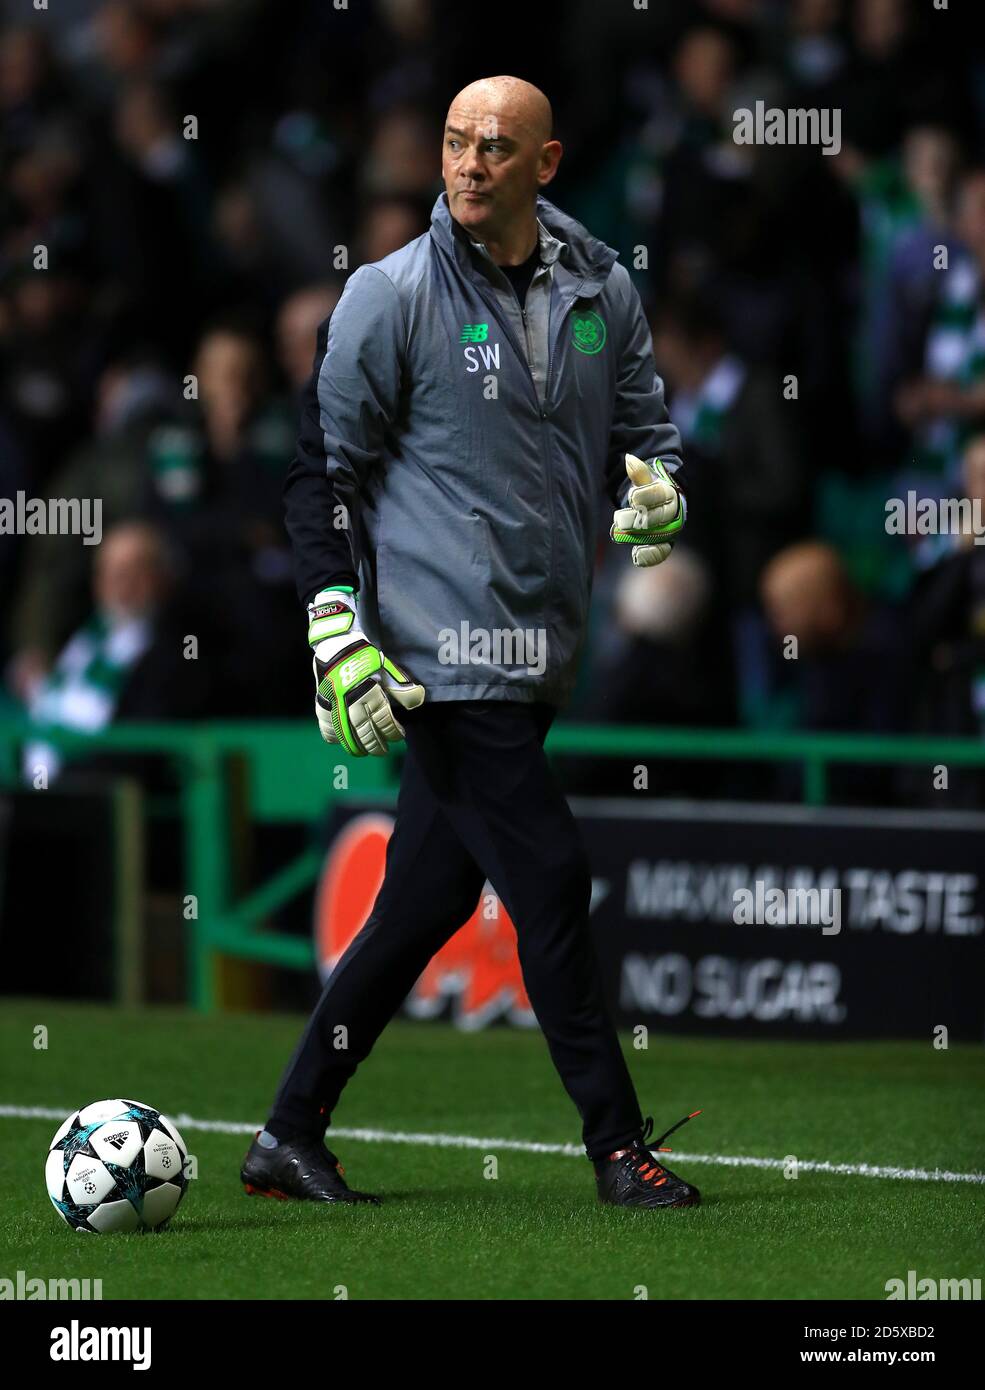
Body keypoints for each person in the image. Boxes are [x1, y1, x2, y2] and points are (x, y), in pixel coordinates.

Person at [240, 76, 701, 1211]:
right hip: (439, 655)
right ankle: (615, 1146)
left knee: (419, 905)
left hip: (542, 646)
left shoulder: (604, 288)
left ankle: (287, 1134)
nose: (468, 163)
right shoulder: (388, 296)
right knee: (548, 873)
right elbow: (321, 474)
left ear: (547, 164)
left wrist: (660, 496)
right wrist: (333, 618)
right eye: (454, 142)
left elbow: (647, 437)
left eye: (495, 146)